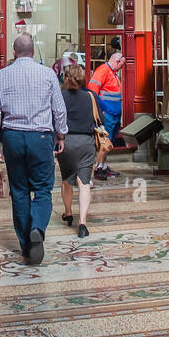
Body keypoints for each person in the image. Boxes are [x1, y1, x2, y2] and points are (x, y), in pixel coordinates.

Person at [0, 34, 67, 264]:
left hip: (12, 136)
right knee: (42, 189)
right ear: (33, 52)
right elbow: (59, 110)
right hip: (41, 137)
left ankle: (25, 245)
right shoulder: (47, 74)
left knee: (19, 191)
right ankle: (38, 229)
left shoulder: (2, 75)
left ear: (14, 52)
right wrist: (60, 135)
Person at [57, 64, 95, 238]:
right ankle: (83, 223)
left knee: (67, 180)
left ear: (65, 78)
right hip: (86, 142)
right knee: (84, 182)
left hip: (67, 141)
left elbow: (55, 119)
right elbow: (98, 119)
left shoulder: (60, 97)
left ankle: (68, 212)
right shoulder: (90, 97)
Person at [88, 50, 124, 180]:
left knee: (109, 143)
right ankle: (99, 168)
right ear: (117, 61)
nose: (121, 68)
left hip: (113, 115)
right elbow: (92, 91)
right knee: (104, 143)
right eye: (121, 65)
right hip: (107, 115)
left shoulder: (113, 73)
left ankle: (103, 166)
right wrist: (101, 110)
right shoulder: (103, 70)